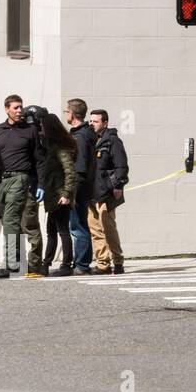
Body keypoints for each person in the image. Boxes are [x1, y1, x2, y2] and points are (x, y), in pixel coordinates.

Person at [0, 94, 42, 276]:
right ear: (7, 109)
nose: (20, 110)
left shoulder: (30, 130)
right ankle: (18, 261)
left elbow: (39, 159)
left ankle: (11, 263)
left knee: (10, 220)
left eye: (21, 107)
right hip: (0, 180)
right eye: (16, 108)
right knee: (4, 218)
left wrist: (40, 184)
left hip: (20, 178)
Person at [89, 110, 130, 275]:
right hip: (91, 191)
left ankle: (118, 261)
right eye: (90, 121)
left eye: (95, 121)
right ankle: (103, 264)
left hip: (107, 191)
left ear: (105, 123)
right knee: (95, 229)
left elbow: (121, 165)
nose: (92, 124)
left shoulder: (112, 141)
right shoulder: (90, 140)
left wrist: (118, 186)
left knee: (108, 228)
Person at [39, 112, 78, 277]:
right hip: (53, 195)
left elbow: (70, 172)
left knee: (62, 231)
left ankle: (66, 264)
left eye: (42, 127)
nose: (40, 130)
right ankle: (46, 264)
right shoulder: (51, 146)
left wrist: (66, 193)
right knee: (51, 232)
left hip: (60, 195)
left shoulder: (61, 149)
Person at [65, 98, 97, 275]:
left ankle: (82, 265)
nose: (65, 114)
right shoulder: (84, 133)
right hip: (84, 186)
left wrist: (72, 189)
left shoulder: (80, 136)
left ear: (71, 113)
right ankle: (82, 263)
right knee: (79, 224)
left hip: (78, 186)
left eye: (66, 111)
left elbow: (80, 166)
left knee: (78, 226)